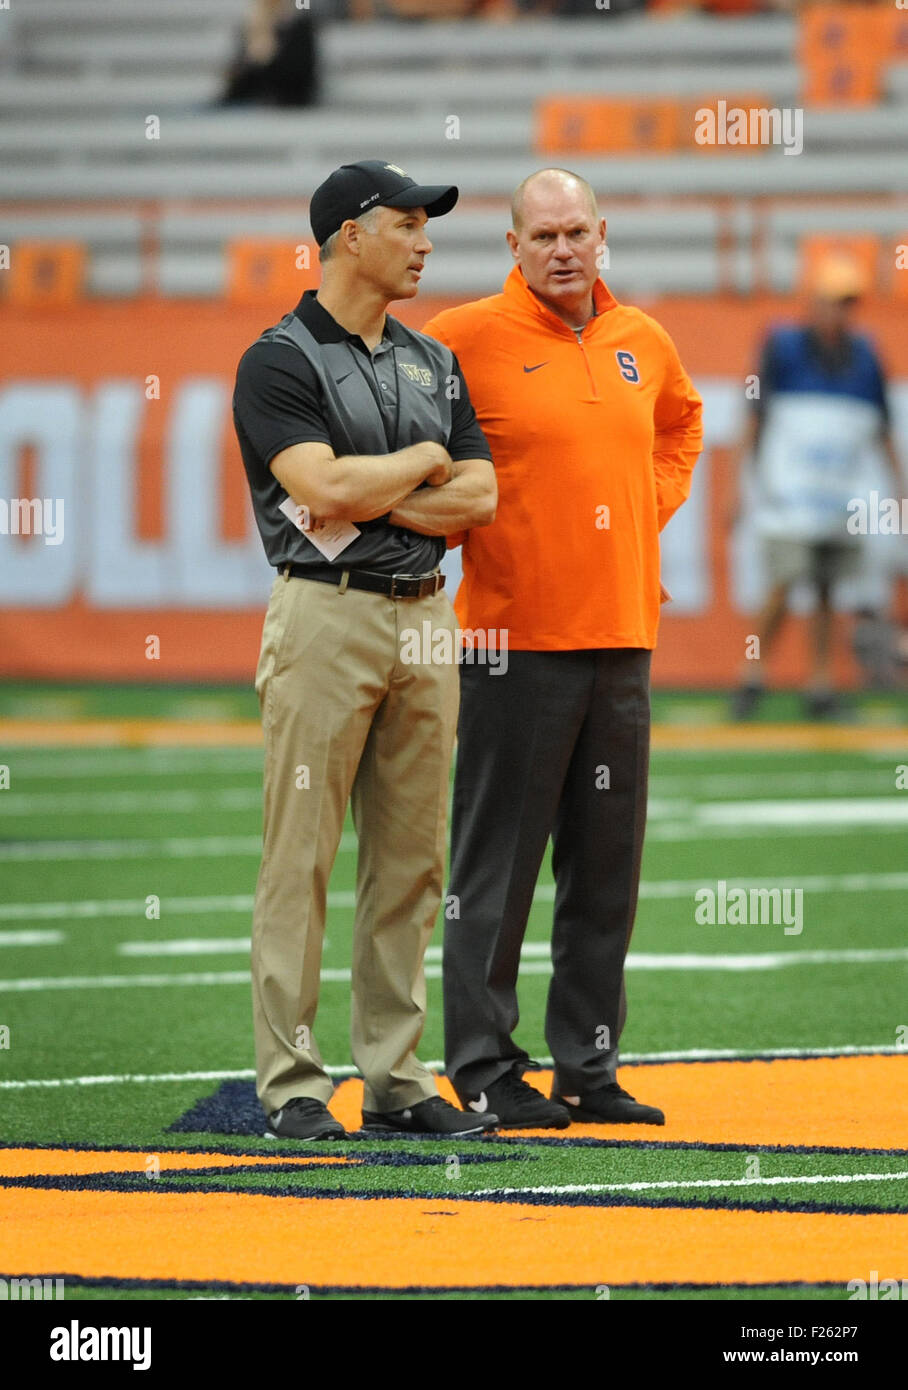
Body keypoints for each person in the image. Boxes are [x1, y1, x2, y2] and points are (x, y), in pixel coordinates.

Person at [422, 167, 702, 1129]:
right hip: (513, 643)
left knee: (606, 867)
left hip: (624, 634)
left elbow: (684, 425)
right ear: (513, 247)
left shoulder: (643, 341)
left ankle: (588, 1061)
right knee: (493, 869)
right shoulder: (460, 339)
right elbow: (406, 432)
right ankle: (485, 1066)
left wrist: (639, 514)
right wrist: (448, 525)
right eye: (542, 236)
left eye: (576, 231)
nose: (563, 249)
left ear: (602, 232)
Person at [232, 160, 498, 1140]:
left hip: (429, 614)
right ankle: (293, 1085)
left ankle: (394, 1079)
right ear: (351, 234)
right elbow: (319, 487)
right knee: (296, 857)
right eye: (407, 222)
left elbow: (479, 497)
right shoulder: (278, 358)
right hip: (323, 613)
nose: (425, 239)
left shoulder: (434, 358)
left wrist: (377, 482)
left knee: (412, 860)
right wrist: (421, 464)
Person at [729, 253, 903, 719]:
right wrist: (736, 488)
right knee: (783, 584)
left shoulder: (865, 354)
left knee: (828, 590)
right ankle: (751, 677)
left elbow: (883, 428)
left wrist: (898, 491)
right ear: (813, 302)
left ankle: (820, 684)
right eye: (833, 301)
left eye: (848, 303)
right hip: (788, 496)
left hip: (837, 499)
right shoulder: (782, 347)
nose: (841, 312)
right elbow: (753, 417)